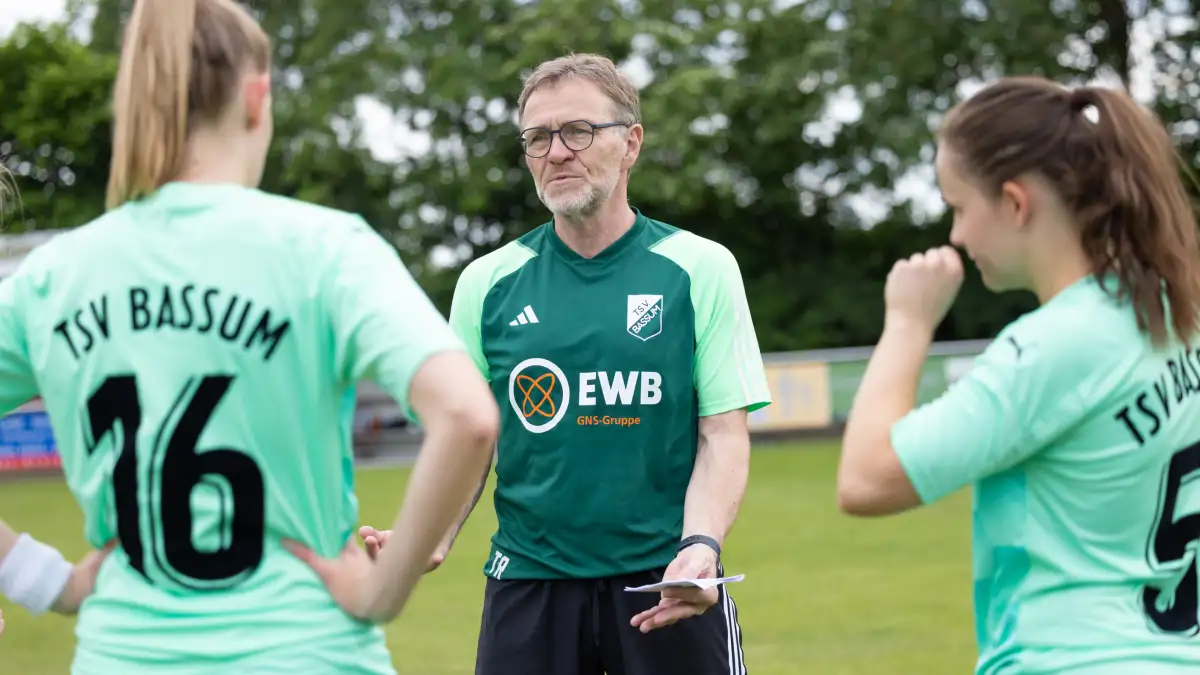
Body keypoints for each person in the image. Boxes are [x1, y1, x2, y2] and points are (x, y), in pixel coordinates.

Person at [0, 0, 499, 673]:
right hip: (308, 653)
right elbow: (467, 415)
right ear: (257, 99)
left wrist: (46, 580)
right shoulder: (326, 248)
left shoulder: (53, 275)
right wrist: (380, 592)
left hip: (124, 655)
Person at [359, 52, 772, 675]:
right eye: (538, 137)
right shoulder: (487, 283)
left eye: (578, 131)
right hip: (529, 586)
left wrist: (701, 546)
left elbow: (721, 432)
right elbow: (470, 438)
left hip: (665, 582)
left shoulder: (700, 268)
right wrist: (430, 538)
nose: (556, 152)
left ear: (630, 143)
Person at [838, 75, 1200, 674]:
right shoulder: (1175, 311)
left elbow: (866, 481)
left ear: (1015, 202)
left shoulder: (1051, 348)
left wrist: (907, 322)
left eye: (958, 206)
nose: (954, 234)